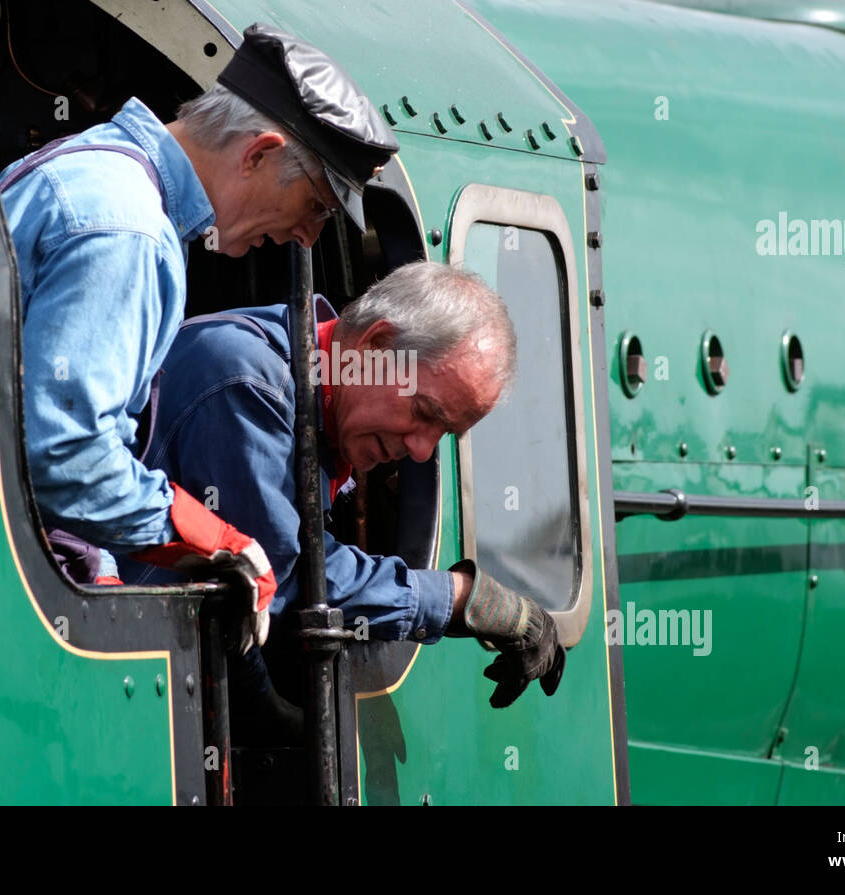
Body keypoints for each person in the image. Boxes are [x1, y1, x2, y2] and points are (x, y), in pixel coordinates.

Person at [0, 24, 398, 652]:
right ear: (259, 153)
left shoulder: (92, 169)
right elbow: (64, 455)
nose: (308, 236)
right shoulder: (127, 230)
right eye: (317, 205)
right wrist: (216, 539)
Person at [120, 262, 566, 711]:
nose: (421, 450)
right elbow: (281, 577)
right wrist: (458, 597)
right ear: (375, 348)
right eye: (425, 413)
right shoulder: (247, 379)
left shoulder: (309, 386)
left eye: (443, 434)